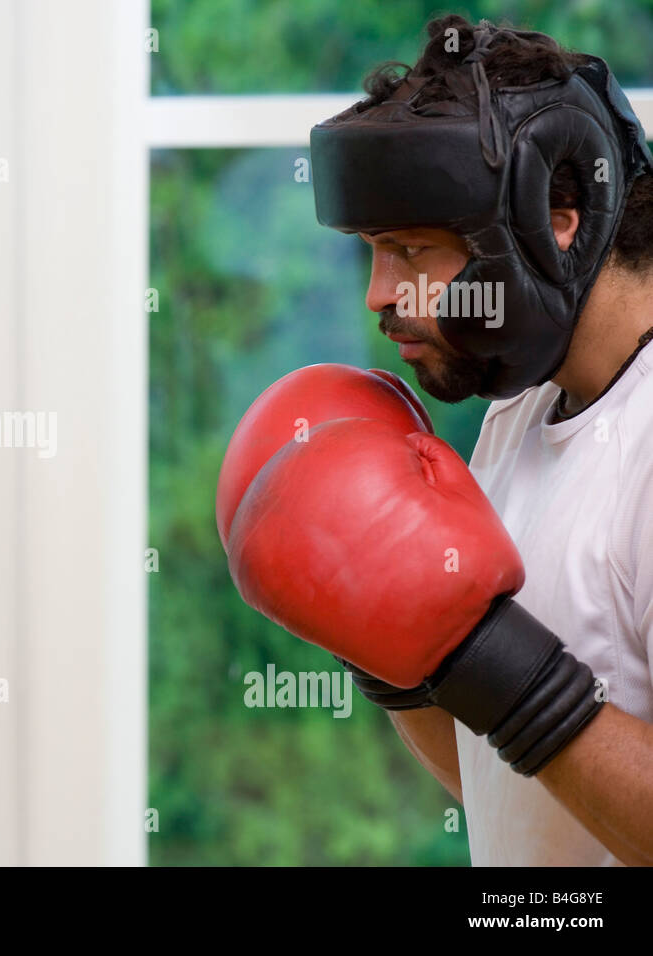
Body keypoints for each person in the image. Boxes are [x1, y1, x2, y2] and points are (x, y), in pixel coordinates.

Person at [220, 16, 653, 865]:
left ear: (555, 219)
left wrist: (499, 666)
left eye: (410, 250)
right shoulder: (518, 420)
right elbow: (525, 792)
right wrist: (395, 651)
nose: (379, 296)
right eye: (373, 254)